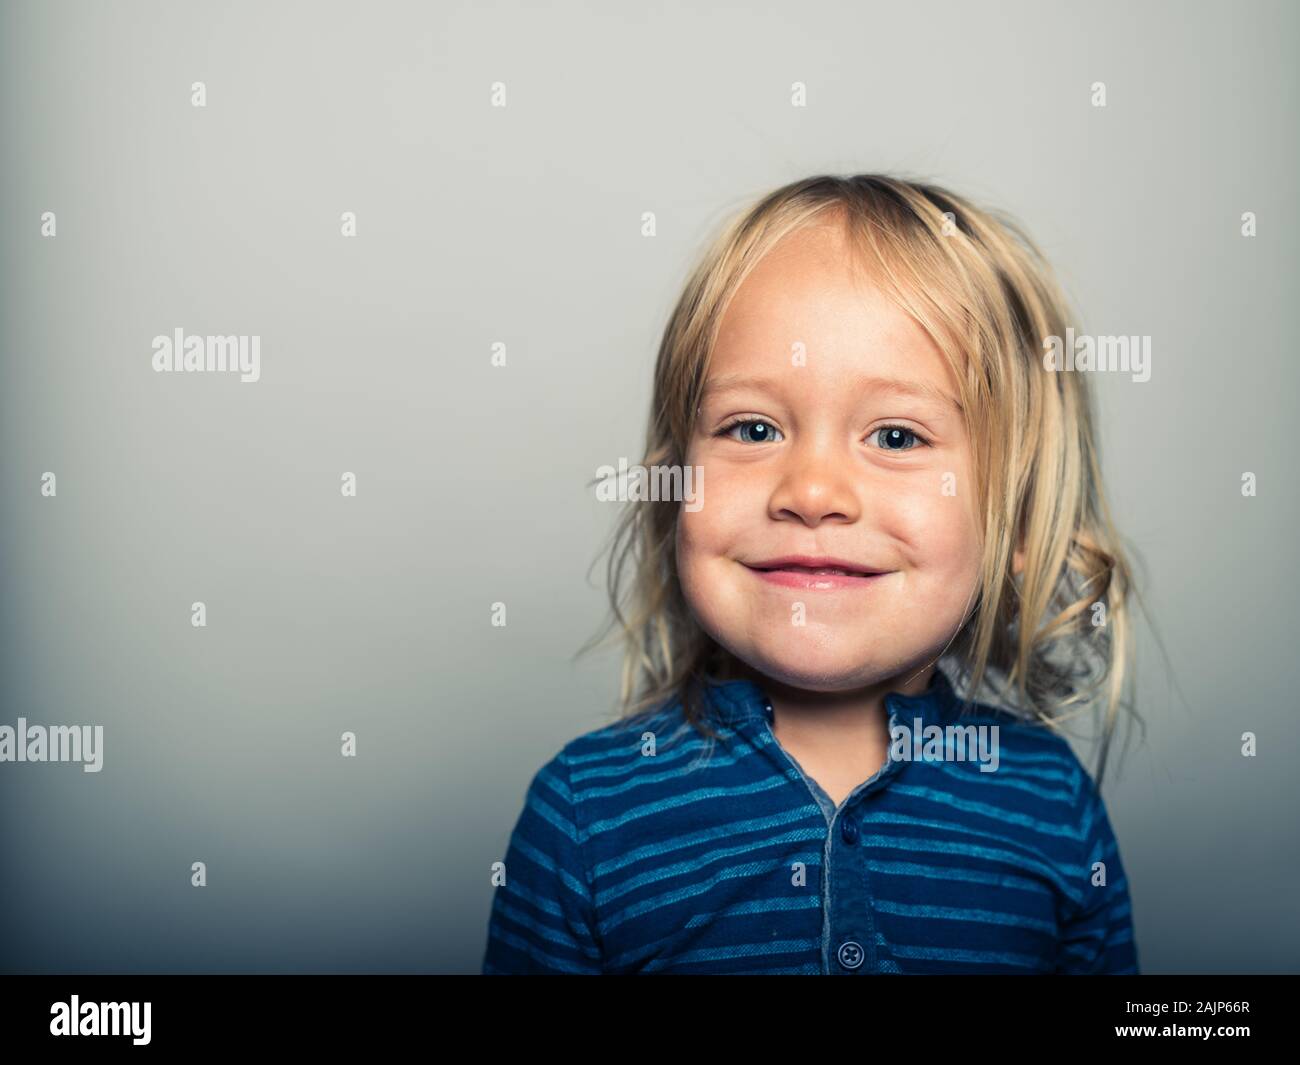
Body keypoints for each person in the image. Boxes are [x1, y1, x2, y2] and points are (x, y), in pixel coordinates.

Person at [483, 175, 1142, 974]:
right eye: (752, 427)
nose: (811, 492)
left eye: (896, 437)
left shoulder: (1053, 810)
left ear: (1019, 525)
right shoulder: (585, 814)